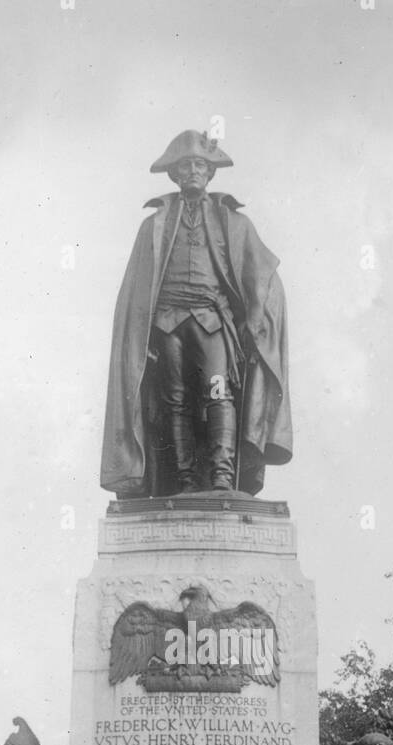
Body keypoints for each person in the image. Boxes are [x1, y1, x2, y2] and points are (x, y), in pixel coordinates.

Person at [101, 129, 292, 498]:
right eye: (185, 165)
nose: (192, 171)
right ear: (174, 174)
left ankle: (221, 478)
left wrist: (256, 319)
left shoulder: (234, 223)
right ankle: (186, 480)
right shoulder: (152, 226)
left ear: (210, 173)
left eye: (200, 165)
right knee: (174, 400)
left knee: (218, 394)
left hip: (211, 321)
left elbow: (263, 275)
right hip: (167, 323)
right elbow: (136, 293)